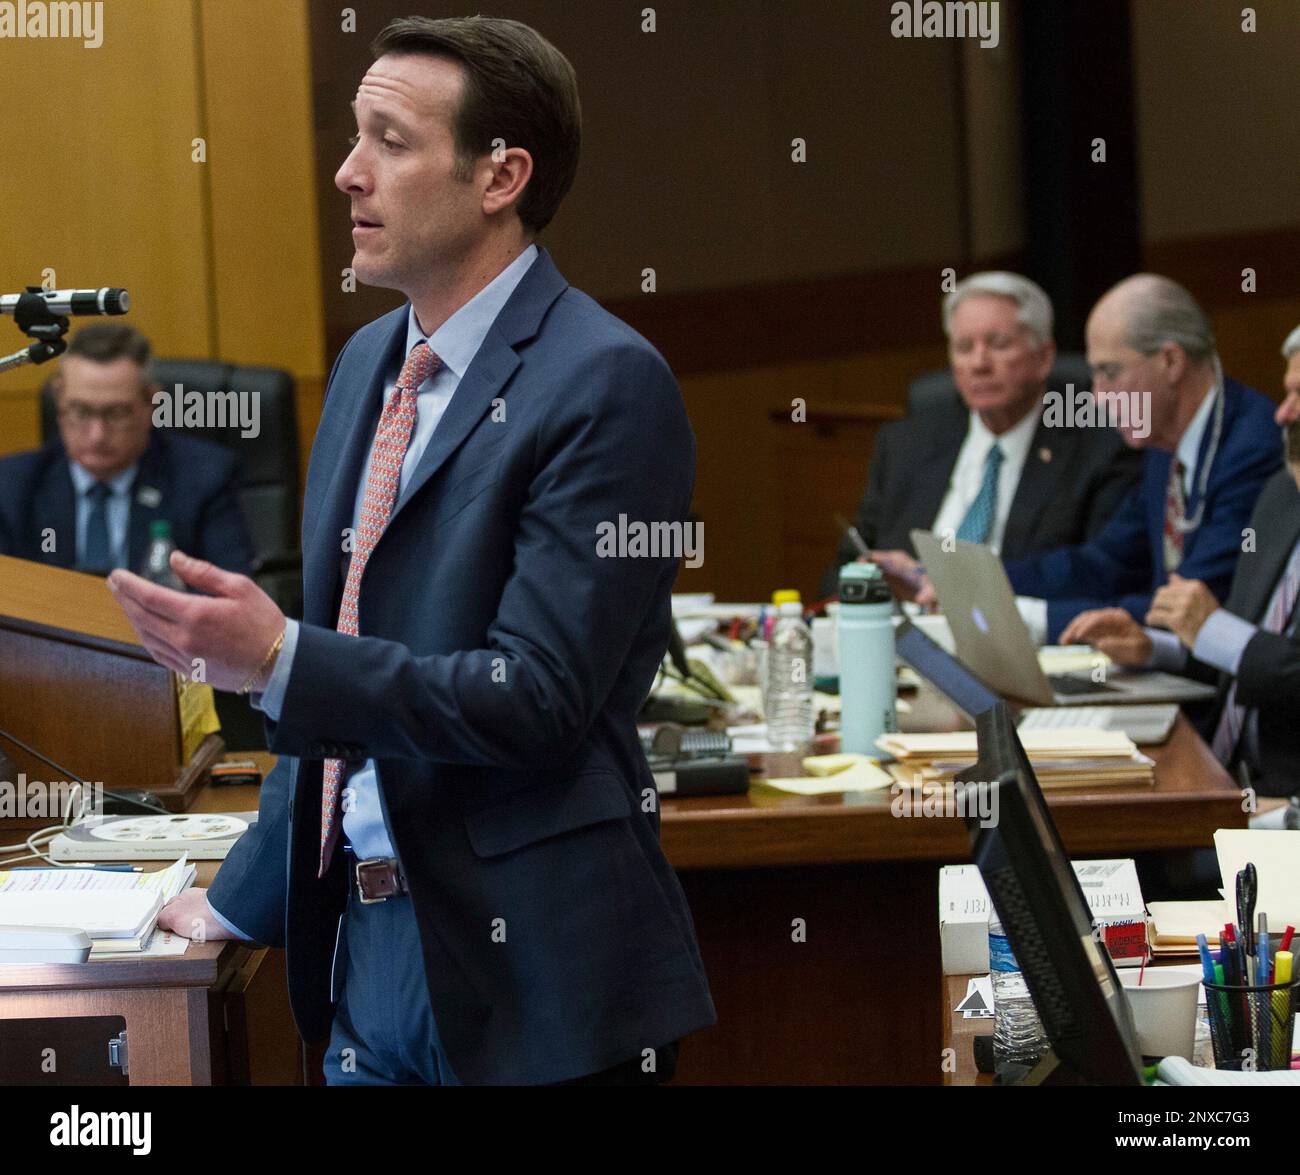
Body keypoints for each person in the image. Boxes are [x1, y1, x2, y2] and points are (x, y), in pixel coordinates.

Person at [107, 15, 715, 1085]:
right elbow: (347, 657)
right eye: (355, 137)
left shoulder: (605, 382)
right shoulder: (364, 365)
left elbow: (537, 697)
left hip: (528, 970)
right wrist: (248, 889)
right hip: (363, 943)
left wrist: (278, 659)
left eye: (389, 140)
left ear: (500, 176)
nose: (347, 174)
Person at [1066, 326, 1300, 797]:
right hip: (1223, 777)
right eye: (1287, 392)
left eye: (1299, 397)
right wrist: (1159, 649)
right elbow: (1245, 650)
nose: (1283, 413)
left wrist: (1212, 629)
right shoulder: (1283, 495)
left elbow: (1253, 651)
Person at [823, 272, 1139, 600]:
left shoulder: (1099, 450)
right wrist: (877, 578)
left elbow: (1099, 579)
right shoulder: (905, 446)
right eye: (964, 347)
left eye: (999, 344)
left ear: (1043, 358)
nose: (979, 363)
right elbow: (838, 575)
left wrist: (953, 585)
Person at [1002, 274, 1280, 642]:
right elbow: (1106, 563)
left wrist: (1033, 619)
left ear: (1170, 361)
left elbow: (1189, 606)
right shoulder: (1162, 445)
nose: (1097, 398)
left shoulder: (1252, 448)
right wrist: (985, 583)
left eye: (1110, 373)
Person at [0, 323, 253, 576]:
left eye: (116, 413)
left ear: (151, 405)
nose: (97, 434)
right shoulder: (12, 486)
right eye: (81, 411)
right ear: (59, 401)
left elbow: (229, 594)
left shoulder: (204, 479)